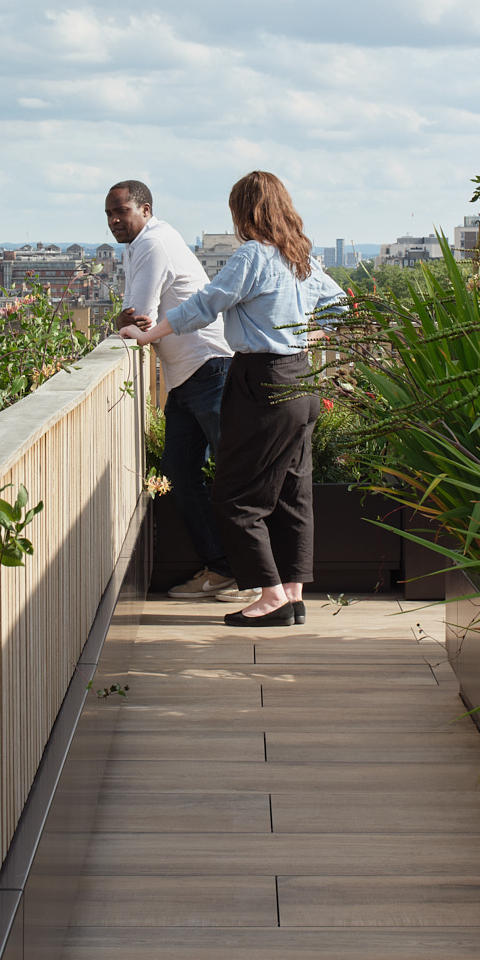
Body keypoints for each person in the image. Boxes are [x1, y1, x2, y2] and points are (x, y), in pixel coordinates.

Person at [118, 171, 344, 627]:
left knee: (235, 496)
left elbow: (205, 305)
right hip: (301, 379)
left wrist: (147, 335)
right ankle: (293, 596)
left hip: (263, 383)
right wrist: (304, 338)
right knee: (293, 493)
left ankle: (271, 597)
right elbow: (341, 307)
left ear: (244, 210)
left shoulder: (253, 255)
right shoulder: (299, 256)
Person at [105, 179, 243, 602]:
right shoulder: (138, 245)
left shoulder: (153, 243)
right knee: (180, 472)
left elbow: (138, 317)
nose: (114, 221)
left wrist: (123, 320)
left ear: (145, 210)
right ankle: (222, 569)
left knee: (234, 473)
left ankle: (256, 576)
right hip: (186, 375)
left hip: (209, 366)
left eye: (122, 211)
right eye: (109, 214)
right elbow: (132, 318)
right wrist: (125, 319)